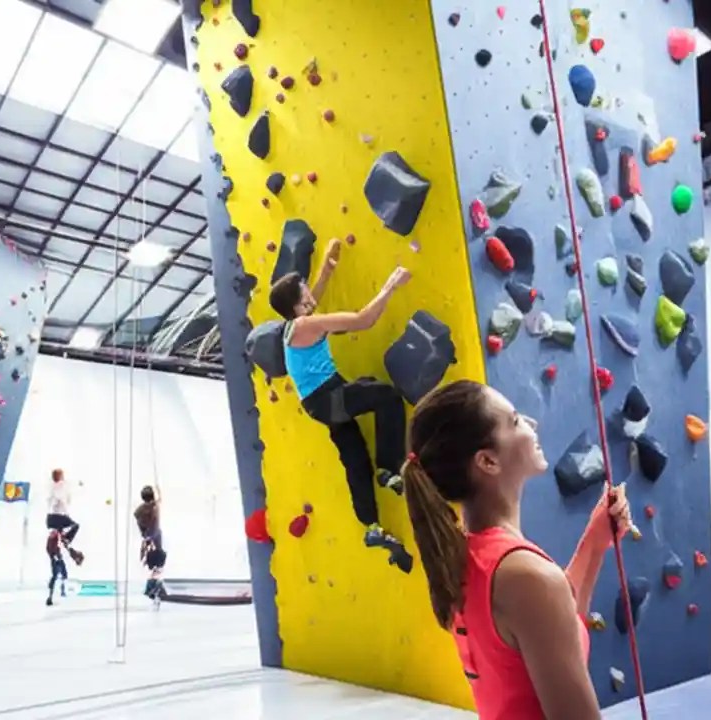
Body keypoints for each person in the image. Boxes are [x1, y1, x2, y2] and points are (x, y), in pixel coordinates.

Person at [401, 380, 634, 720]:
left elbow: (556, 622)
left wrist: (595, 543)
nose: (531, 423)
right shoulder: (525, 577)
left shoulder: (469, 557)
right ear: (487, 461)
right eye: (514, 421)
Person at [270, 239, 413, 565]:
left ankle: (372, 525)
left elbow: (313, 300)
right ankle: (388, 469)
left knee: (354, 456)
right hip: (328, 397)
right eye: (304, 289)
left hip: (320, 403)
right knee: (386, 396)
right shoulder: (306, 325)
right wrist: (392, 283)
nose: (310, 292)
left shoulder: (295, 325)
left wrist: (327, 269)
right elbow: (364, 319)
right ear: (297, 302)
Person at [134, 486, 167, 607]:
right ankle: (152, 588)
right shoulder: (154, 507)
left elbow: (140, 524)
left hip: (149, 539)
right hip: (155, 538)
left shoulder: (139, 511)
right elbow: (160, 500)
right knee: (157, 566)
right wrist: (158, 489)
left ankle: (153, 587)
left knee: (154, 566)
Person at [45, 468, 84, 565]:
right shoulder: (59, 486)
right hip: (57, 516)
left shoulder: (52, 486)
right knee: (75, 526)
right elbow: (61, 496)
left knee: (61, 537)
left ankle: (71, 551)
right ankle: (67, 541)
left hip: (50, 518)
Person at [45, 528, 69, 605]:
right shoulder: (53, 537)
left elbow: (63, 539)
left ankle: (61, 590)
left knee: (63, 574)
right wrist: (54, 556)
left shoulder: (58, 535)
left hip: (58, 558)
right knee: (55, 575)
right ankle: (50, 595)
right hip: (55, 558)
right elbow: (49, 549)